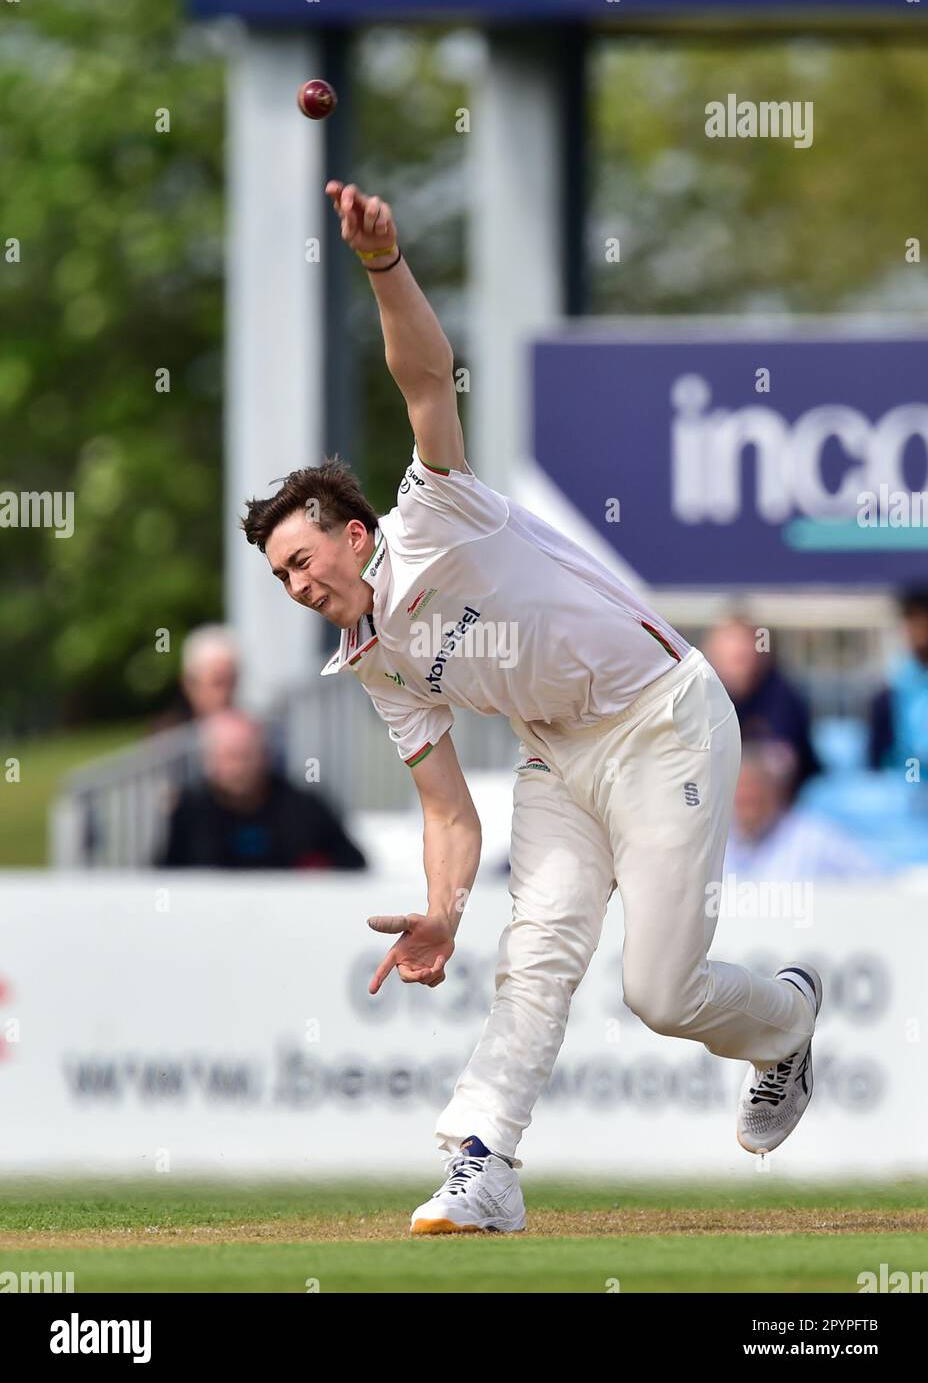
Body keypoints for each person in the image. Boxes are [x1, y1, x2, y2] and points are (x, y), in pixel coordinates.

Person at [240, 181, 822, 1234]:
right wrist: (440, 912)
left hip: (662, 717)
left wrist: (381, 262)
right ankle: (483, 1166)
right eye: (278, 578)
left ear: (352, 531)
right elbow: (448, 811)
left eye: (299, 559)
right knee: (535, 955)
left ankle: (786, 1022)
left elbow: (422, 376)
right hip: (558, 758)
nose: (296, 585)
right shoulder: (368, 660)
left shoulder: (435, 512)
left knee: (660, 992)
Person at [159, 709, 366, 871]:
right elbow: (165, 877)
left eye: (245, 755)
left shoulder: (304, 808)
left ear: (264, 755)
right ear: (208, 761)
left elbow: (353, 866)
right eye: (229, 757)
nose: (238, 767)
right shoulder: (191, 813)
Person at [724, 743, 881, 880]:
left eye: (757, 789)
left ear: (776, 793)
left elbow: (877, 879)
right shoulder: (715, 840)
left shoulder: (816, 838)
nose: (749, 798)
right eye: (743, 791)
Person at [703, 615, 820, 793]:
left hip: (786, 802)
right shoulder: (703, 694)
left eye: (742, 653)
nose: (737, 657)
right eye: (729, 654)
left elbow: (783, 762)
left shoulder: (781, 694)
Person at [868, 584, 928, 771]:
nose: (917, 629)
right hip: (904, 788)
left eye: (922, 619)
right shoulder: (891, 690)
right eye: (911, 620)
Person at [149, 624, 239, 733]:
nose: (228, 692)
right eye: (218, 682)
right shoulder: (167, 739)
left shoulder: (253, 733)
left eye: (233, 681)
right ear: (191, 684)